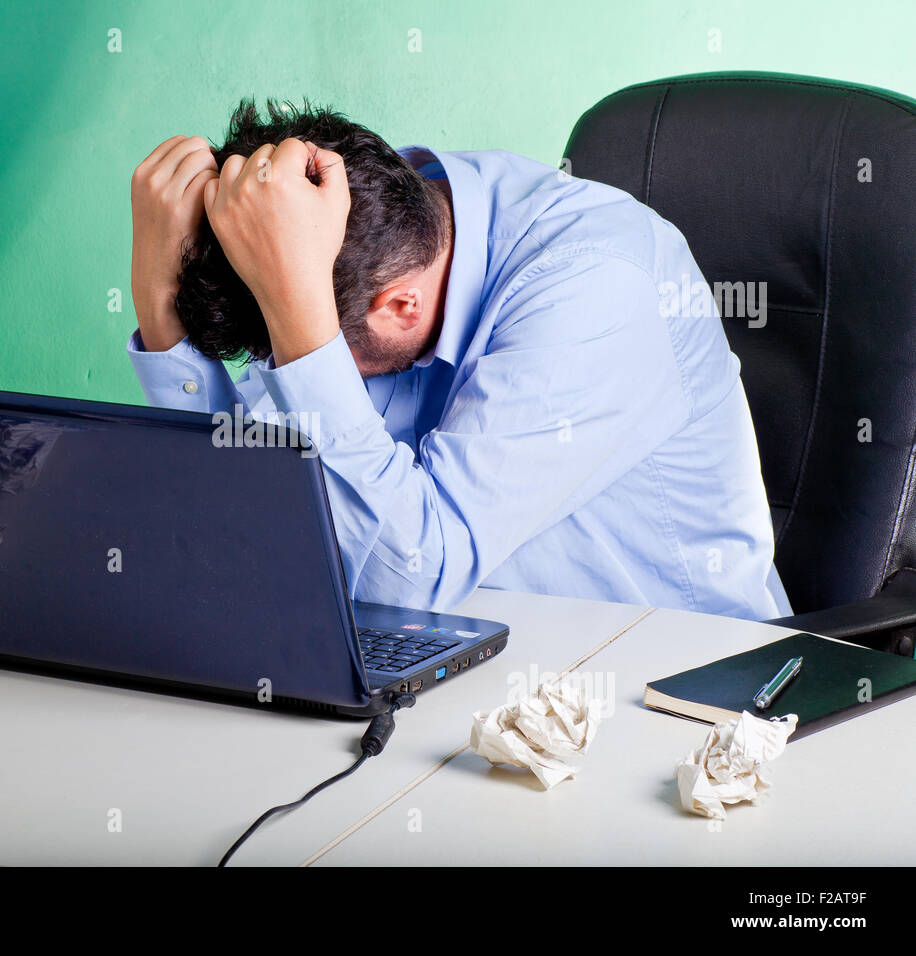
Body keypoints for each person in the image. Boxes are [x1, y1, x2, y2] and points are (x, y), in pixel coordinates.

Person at [126, 99, 790, 621]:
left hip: (677, 699)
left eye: (298, 347)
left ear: (401, 307)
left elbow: (405, 572)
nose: (288, 369)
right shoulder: (380, 234)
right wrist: (161, 310)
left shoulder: (599, 282)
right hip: (475, 676)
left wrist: (301, 314)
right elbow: (248, 532)